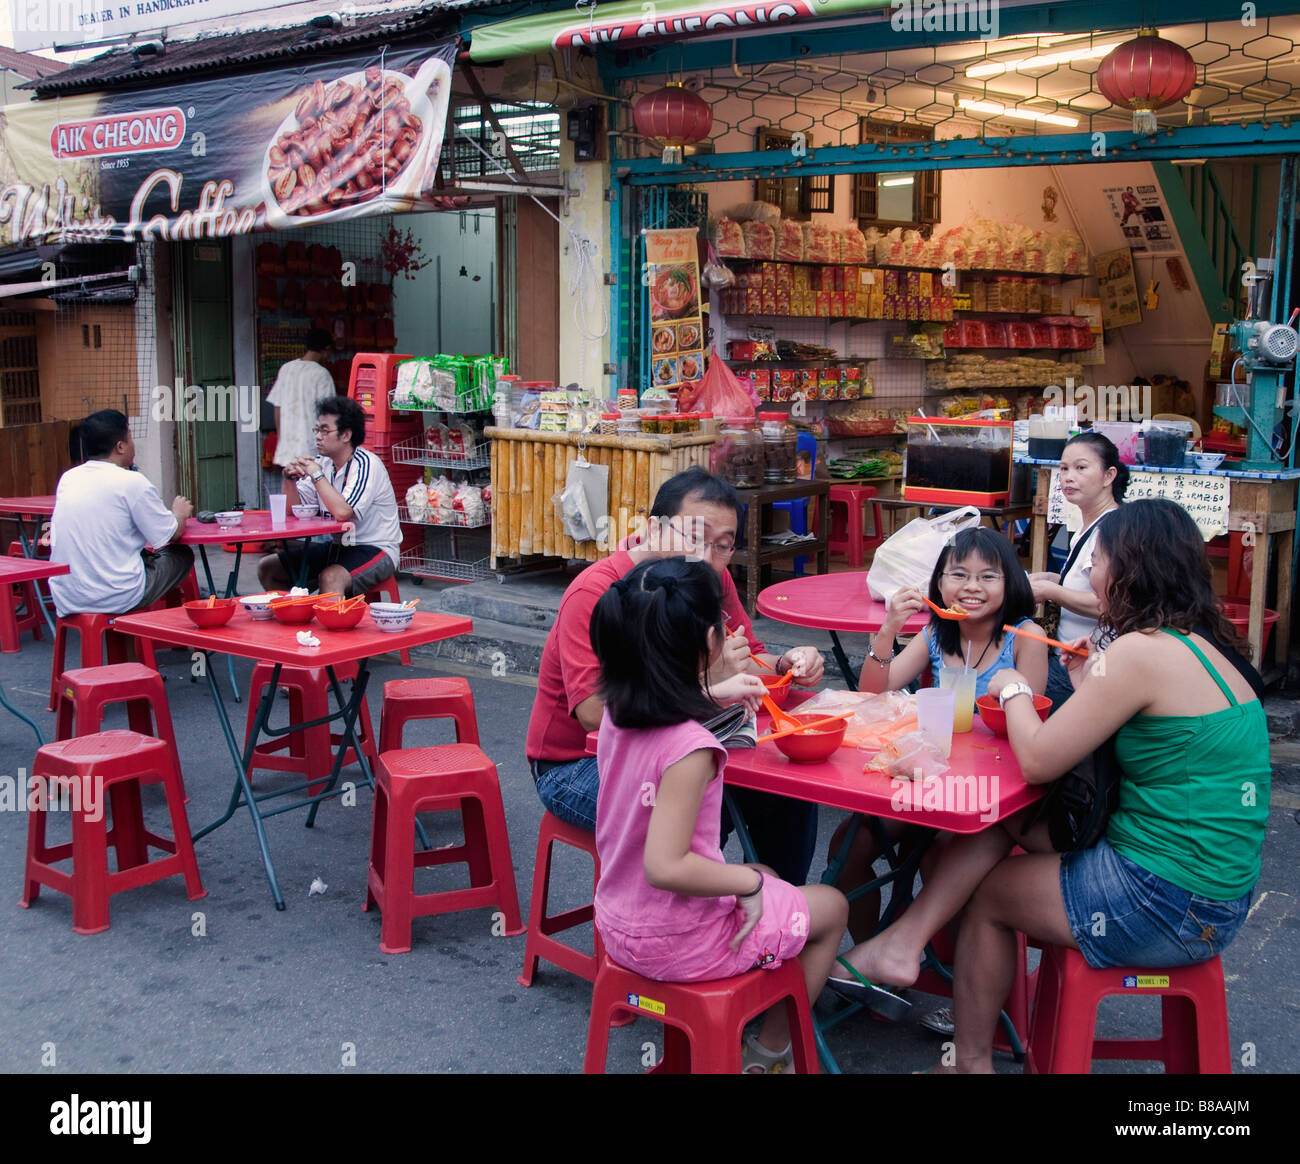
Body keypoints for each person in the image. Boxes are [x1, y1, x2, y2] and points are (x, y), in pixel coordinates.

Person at [860, 499, 1269, 1074]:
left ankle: (969, 1060)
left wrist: (1013, 690)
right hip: (1217, 891)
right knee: (1005, 823)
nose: (1089, 577)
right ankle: (904, 944)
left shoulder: (1139, 653)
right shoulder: (1208, 647)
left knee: (988, 893)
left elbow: (1039, 763)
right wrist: (1085, 681)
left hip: (1165, 899)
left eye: (1096, 562)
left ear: (1130, 569)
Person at [590, 556, 849, 1073]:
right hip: (678, 938)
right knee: (832, 905)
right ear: (709, 644)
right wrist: (747, 888)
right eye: (722, 623)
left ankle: (701, 1043)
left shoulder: (620, 710)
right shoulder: (691, 749)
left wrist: (711, 693)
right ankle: (767, 1052)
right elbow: (666, 866)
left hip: (618, 922)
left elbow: (665, 700)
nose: (731, 630)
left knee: (769, 874)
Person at [524, 466, 827, 885]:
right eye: (694, 536)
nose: (706, 557)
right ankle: (701, 926)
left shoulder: (710, 580)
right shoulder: (596, 592)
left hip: (676, 742)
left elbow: (748, 652)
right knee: (707, 801)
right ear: (653, 528)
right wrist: (708, 682)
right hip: (579, 765)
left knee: (787, 790)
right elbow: (596, 714)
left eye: (722, 546)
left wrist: (783, 663)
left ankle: (780, 919)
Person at [825, 528, 1049, 1001]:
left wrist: (1006, 693)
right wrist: (888, 629)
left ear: (1010, 582)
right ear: (939, 583)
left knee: (938, 855)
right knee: (848, 845)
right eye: (958, 575)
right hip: (926, 778)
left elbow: (1028, 728)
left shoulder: (1026, 637)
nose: (972, 586)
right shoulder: (935, 632)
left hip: (989, 794)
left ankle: (956, 982)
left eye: (988, 576)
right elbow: (872, 694)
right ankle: (875, 965)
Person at [49, 409, 195, 617]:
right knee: (180, 555)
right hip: (117, 596)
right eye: (130, 437)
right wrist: (179, 513)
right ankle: (169, 630)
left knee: (137, 552)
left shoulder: (68, 478)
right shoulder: (132, 482)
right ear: (120, 446)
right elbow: (170, 535)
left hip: (68, 596)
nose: (132, 443)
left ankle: (132, 640)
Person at [257, 395, 400, 597]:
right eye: (316, 430)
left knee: (330, 577)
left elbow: (343, 512)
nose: (318, 436)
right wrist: (289, 478)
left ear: (346, 435)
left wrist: (316, 474)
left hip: (376, 548)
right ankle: (296, 618)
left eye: (324, 431)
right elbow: (292, 511)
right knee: (269, 567)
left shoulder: (366, 465)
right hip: (337, 547)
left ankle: (335, 626)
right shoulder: (323, 463)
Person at [1028, 431, 1127, 709]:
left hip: (1084, 665)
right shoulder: (1089, 525)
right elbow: (1087, 583)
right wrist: (1054, 579)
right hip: (1069, 654)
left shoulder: (1111, 532)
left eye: (1081, 468)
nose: (1068, 477)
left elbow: (1110, 604)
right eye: (1064, 469)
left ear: (1109, 476)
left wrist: (1051, 590)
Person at [267, 327, 337, 470]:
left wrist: (281, 438)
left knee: (288, 488)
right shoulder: (321, 374)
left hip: (288, 447)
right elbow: (328, 414)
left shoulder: (287, 369)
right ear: (326, 348)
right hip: (311, 447)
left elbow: (277, 407)